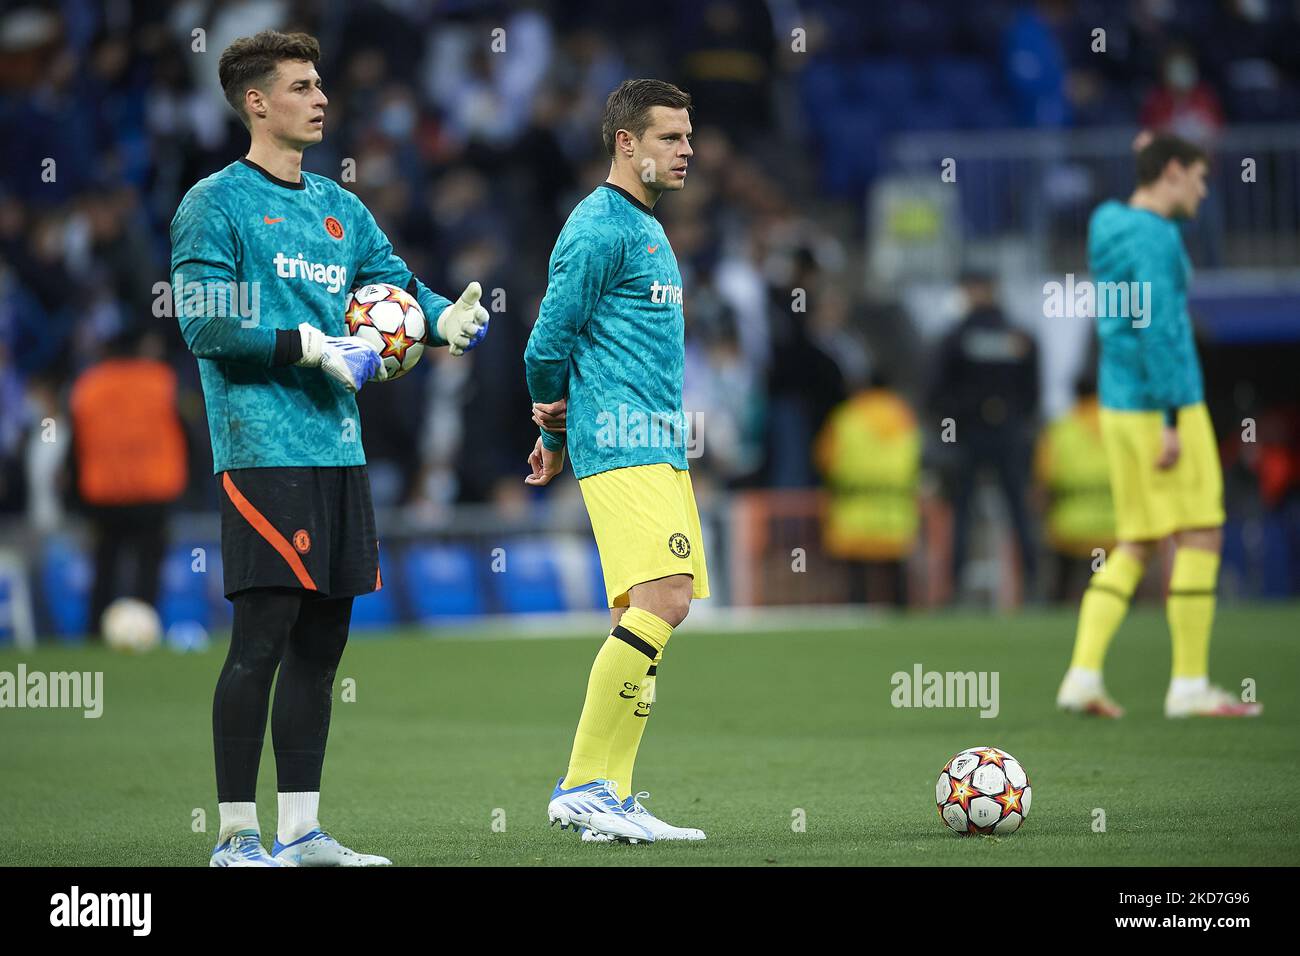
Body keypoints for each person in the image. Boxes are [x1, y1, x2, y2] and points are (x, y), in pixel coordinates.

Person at [170, 30, 488, 866]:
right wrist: (310, 346)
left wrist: (444, 319)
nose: (320, 98)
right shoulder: (215, 203)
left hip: (340, 453)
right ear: (257, 102)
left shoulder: (341, 208)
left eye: (321, 85)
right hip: (262, 447)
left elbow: (397, 284)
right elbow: (203, 321)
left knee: (322, 646)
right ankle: (236, 839)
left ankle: (302, 832)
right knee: (262, 641)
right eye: (302, 86)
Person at [524, 79, 707, 844]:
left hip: (658, 447)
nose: (688, 149)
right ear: (626, 144)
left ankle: (613, 795)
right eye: (671, 137)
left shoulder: (647, 225)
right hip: (623, 446)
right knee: (664, 602)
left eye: (689, 137)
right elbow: (546, 342)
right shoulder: (600, 225)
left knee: (644, 615)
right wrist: (554, 422)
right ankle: (583, 784)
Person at [1056, 133, 1260, 719]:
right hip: (1162, 406)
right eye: (1196, 176)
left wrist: (1147, 156)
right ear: (1172, 172)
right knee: (1201, 532)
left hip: (1118, 405)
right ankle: (1190, 686)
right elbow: (1162, 330)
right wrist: (1173, 419)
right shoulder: (1159, 237)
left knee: (1138, 542)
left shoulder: (1107, 222)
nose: (1202, 190)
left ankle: (1082, 675)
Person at [928, 271, 1040, 601]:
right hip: (1007, 431)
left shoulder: (955, 337)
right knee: (1017, 508)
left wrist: (951, 427)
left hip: (969, 434)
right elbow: (1031, 391)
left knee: (964, 511)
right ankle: (1032, 584)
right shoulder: (1018, 335)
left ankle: (957, 588)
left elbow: (937, 391)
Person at [69, 329, 187, 637]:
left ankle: (96, 631)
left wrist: (77, 498)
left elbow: (75, 446)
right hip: (154, 491)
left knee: (104, 566)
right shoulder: (161, 380)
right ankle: (144, 628)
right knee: (148, 566)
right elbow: (187, 433)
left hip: (104, 495)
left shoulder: (88, 384)